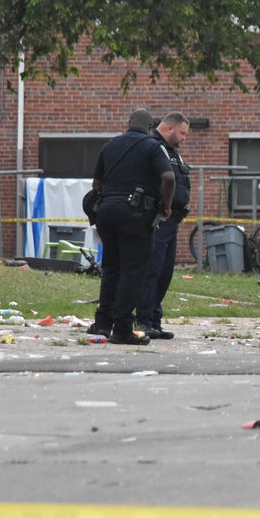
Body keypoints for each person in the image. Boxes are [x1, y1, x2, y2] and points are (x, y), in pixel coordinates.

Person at [86, 108, 175, 345]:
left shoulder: (110, 145)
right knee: (133, 270)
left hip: (106, 212)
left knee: (111, 269)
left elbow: (96, 182)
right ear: (149, 127)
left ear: (128, 123)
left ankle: (103, 324)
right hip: (136, 215)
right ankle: (123, 328)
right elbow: (169, 177)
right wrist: (166, 206)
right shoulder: (152, 147)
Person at [137, 112, 192, 339]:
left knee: (165, 272)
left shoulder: (172, 153)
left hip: (173, 220)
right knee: (152, 270)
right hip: (159, 219)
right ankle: (143, 319)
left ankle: (154, 319)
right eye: (182, 133)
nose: (184, 138)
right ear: (170, 129)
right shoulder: (153, 147)